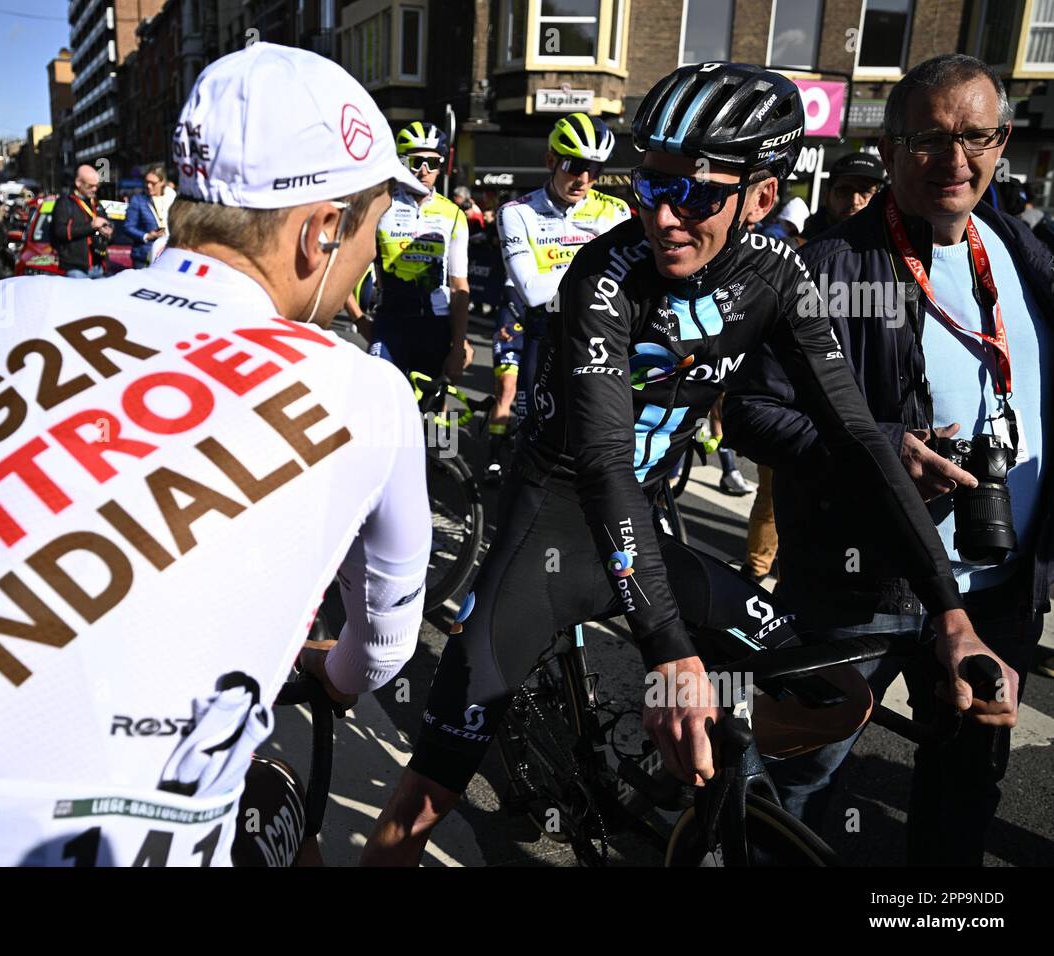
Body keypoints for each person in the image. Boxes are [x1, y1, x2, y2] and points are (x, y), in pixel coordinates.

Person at [360, 61, 1016, 867]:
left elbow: (857, 438)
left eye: (700, 194)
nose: (665, 216)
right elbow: (601, 465)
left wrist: (951, 615)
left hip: (647, 519)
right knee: (423, 801)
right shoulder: (604, 276)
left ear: (763, 198)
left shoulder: (779, 274)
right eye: (651, 185)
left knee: (833, 691)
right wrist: (672, 656)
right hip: (554, 525)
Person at [0, 41, 431, 868]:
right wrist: (330, 681)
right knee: (279, 804)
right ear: (322, 231)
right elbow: (381, 653)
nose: (373, 256)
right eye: (373, 226)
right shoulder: (369, 394)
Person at [724, 53, 1045, 865]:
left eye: (976, 137)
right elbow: (751, 413)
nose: (957, 160)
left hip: (996, 588)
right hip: (856, 586)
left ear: (1003, 139)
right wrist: (872, 448)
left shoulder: (1022, 254)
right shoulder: (826, 269)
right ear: (893, 148)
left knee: (964, 791)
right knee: (796, 787)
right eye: (930, 140)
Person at [484, 113, 631, 484]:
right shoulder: (517, 213)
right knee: (536, 434)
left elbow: (629, 282)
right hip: (544, 333)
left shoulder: (615, 212)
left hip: (600, 335)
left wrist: (573, 273)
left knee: (601, 437)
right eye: (573, 165)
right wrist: (597, 263)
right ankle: (482, 466)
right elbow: (532, 290)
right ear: (551, 160)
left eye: (594, 169)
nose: (583, 178)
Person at [351, 121, 472, 383]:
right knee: (382, 411)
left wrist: (460, 344)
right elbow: (343, 267)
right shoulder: (379, 205)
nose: (424, 171)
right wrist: (360, 321)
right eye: (416, 161)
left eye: (433, 162)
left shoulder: (453, 214)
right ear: (401, 162)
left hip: (436, 325)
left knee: (437, 417)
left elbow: (459, 286)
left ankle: (438, 425)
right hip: (390, 322)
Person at [801, 151, 885, 240]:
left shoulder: (891, 246)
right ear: (827, 195)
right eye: (844, 191)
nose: (854, 201)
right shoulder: (799, 249)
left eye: (865, 191)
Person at [51, 164, 114, 278]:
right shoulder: (65, 203)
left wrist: (108, 231)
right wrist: (91, 226)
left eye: (97, 185)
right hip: (76, 268)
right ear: (78, 183)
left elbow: (108, 224)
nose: (95, 189)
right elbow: (59, 232)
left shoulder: (95, 203)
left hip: (98, 265)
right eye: (90, 186)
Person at [121, 164, 172, 267]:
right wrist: (147, 236)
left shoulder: (172, 198)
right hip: (144, 256)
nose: (149, 186)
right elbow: (128, 226)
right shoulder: (138, 200)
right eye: (147, 182)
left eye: (153, 183)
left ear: (162, 182)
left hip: (167, 255)